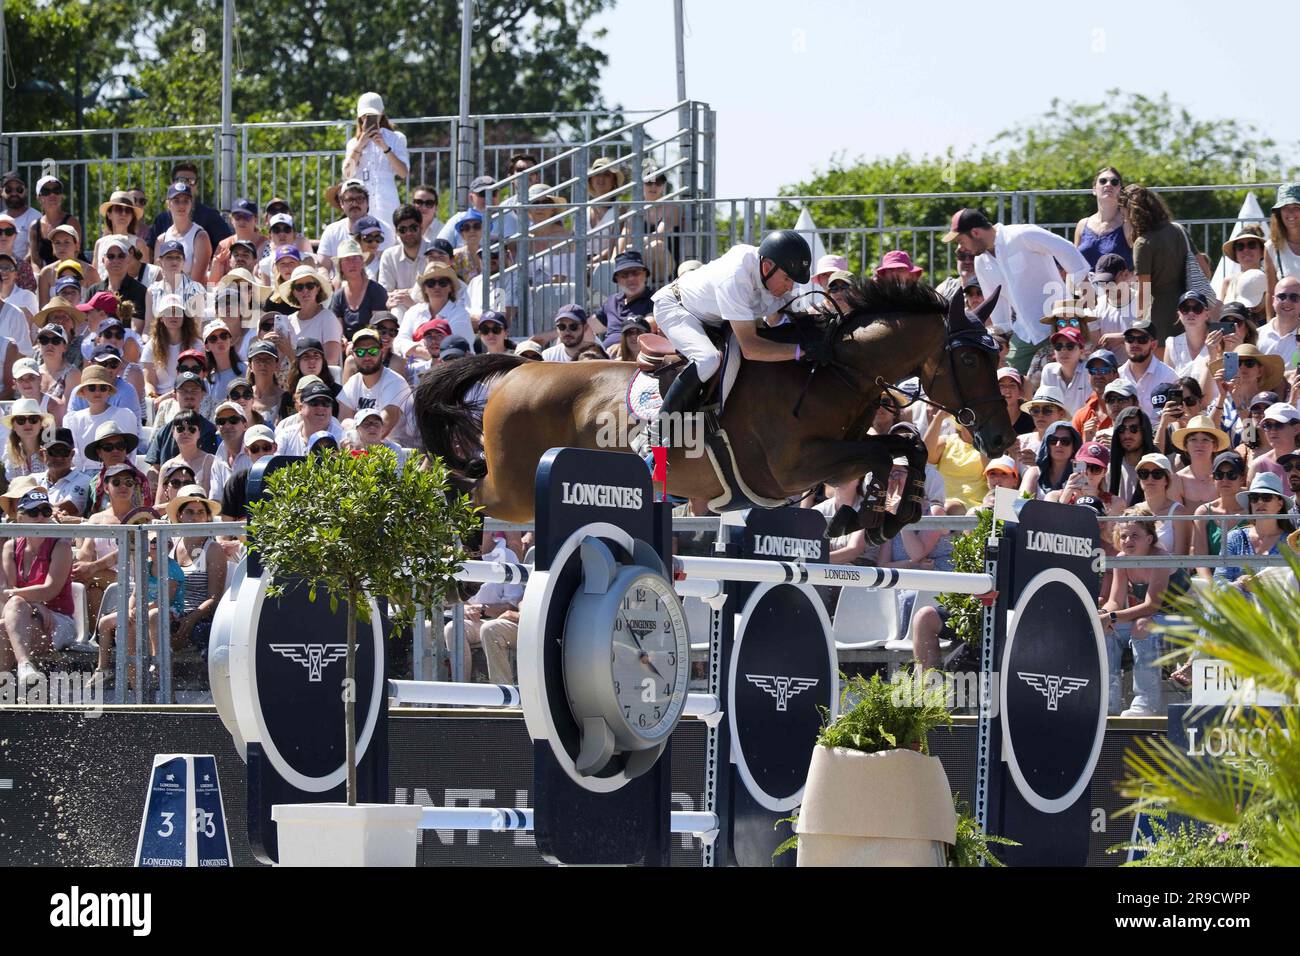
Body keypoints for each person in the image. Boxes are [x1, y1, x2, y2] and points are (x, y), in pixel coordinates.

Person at [649, 230, 811, 435]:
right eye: (787, 279)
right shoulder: (736, 275)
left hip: (715, 319)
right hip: (676, 307)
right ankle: (658, 429)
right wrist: (800, 351)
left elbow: (781, 320)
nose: (790, 287)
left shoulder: (774, 274)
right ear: (767, 266)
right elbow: (751, 348)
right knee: (708, 360)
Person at [942, 207, 1090, 375]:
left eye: (961, 241)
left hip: (1061, 326)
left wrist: (1085, 301)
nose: (961, 248)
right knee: (1008, 379)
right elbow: (996, 304)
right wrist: (1002, 336)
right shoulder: (981, 262)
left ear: (975, 232)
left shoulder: (1022, 234)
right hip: (1024, 334)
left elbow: (1067, 250)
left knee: (1069, 380)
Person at [1099, 505, 1181, 716]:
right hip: (1152, 620)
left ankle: (1147, 703)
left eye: (1135, 535)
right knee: (1108, 629)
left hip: (1185, 621)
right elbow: (1115, 602)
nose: (1128, 541)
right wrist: (1102, 614)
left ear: (1149, 538)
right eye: (1124, 536)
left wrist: (1113, 616)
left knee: (1141, 625)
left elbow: (1152, 605)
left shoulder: (1160, 557)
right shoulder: (1121, 559)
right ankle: (1109, 700)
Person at [94, 506, 186, 690]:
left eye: (159, 541)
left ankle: (156, 660)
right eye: (151, 541)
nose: (154, 545)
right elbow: (136, 594)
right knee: (107, 622)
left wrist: (141, 610)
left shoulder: (173, 568)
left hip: (169, 613)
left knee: (151, 617)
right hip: (145, 610)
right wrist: (129, 610)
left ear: (168, 545)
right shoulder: (145, 565)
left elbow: (165, 600)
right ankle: (104, 669)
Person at [1, 489, 78, 687]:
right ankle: (21, 670)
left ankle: (8, 687)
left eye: (46, 511)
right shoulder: (10, 547)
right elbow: (7, 592)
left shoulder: (61, 545)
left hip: (59, 620)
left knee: (6, 626)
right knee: (4, 625)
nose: (41, 517)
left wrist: (32, 602)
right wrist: (36, 605)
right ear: (20, 517)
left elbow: (50, 590)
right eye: (34, 512)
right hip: (24, 615)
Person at [443, 531, 525, 682]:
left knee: (490, 628)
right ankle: (461, 691)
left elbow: (513, 605)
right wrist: (465, 608)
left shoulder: (506, 555)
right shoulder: (459, 555)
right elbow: (451, 598)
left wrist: (483, 608)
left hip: (495, 619)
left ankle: (501, 695)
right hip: (471, 620)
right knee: (452, 628)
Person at [1120, 184, 1196, 342]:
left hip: (1160, 316)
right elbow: (1204, 268)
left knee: (1162, 365)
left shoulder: (1143, 243)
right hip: (1190, 310)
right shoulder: (1179, 230)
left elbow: (1144, 291)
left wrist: (1138, 321)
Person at [165, 486, 228, 655]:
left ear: (208, 517)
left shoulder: (213, 550)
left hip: (200, 619)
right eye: (190, 512)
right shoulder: (170, 545)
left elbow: (214, 598)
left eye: (200, 512)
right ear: (180, 516)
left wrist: (190, 620)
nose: (195, 517)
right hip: (171, 616)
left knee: (202, 633)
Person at [1214, 471, 1293, 587]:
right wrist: (1239, 584)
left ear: (1280, 504)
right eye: (1254, 497)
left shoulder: (1292, 542)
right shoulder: (1234, 538)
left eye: (1266, 497)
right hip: (1239, 604)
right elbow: (1219, 582)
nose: (1260, 502)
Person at [341, 93, 409, 227]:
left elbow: (403, 173)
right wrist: (360, 145)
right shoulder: (353, 143)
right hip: (360, 202)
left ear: (382, 113)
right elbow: (347, 174)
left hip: (386, 200)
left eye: (372, 115)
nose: (367, 119)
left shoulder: (396, 138)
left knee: (388, 238)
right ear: (359, 117)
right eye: (364, 116)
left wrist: (384, 146)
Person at [337, 328, 411, 437]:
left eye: (373, 351)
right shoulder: (353, 383)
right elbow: (343, 422)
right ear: (353, 354)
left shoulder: (396, 382)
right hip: (365, 447)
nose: (367, 357)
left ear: (382, 352)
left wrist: (353, 430)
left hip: (396, 449)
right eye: (360, 352)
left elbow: (383, 429)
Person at [1208, 343, 1285, 445]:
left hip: (1254, 458)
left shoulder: (1268, 403)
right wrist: (1222, 395)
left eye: (1249, 363)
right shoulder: (1220, 402)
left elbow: (1253, 440)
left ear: (1260, 371)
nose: (1242, 367)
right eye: (1238, 363)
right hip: (1223, 459)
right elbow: (1207, 433)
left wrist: (1237, 399)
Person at [144, 162, 232, 250]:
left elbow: (226, 244)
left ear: (196, 186)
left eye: (191, 181)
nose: (186, 184)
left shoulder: (210, 216)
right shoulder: (161, 219)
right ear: (172, 183)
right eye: (181, 180)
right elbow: (150, 250)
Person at [64, 366, 139, 469]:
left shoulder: (125, 415)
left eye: (103, 388)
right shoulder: (72, 420)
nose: (97, 392)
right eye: (92, 388)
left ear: (108, 392)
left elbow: (130, 454)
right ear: (83, 392)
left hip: (117, 473)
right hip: (82, 476)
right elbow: (74, 457)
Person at [1190, 451, 1248, 580]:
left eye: (1232, 475)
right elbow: (1201, 559)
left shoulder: (1252, 511)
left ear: (1242, 478)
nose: (1225, 480)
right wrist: (1212, 589)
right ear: (1213, 478)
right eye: (1219, 475)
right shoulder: (1203, 512)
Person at [395, 262, 470, 356]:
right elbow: (399, 342)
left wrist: (417, 349)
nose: (437, 287)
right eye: (431, 283)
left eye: (442, 282)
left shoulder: (460, 314)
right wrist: (424, 352)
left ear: (450, 287)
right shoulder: (413, 312)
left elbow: (458, 348)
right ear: (424, 289)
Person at [318, 179, 393, 271]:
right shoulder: (331, 231)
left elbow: (390, 266)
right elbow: (323, 267)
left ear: (367, 202)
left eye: (360, 199)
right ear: (342, 203)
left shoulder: (385, 229)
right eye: (349, 200)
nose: (354, 204)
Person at [141, 293, 203, 399]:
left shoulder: (196, 344)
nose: (173, 316)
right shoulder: (151, 346)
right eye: (169, 312)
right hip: (161, 400)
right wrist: (154, 398)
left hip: (189, 396)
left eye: (178, 312)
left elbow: (201, 378)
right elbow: (149, 383)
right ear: (161, 317)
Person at [923, 408, 986, 509]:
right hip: (940, 505)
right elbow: (926, 455)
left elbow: (990, 470)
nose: (971, 424)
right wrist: (939, 418)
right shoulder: (947, 442)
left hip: (975, 508)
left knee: (949, 508)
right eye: (968, 420)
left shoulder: (987, 448)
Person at [1118, 319, 1179, 420]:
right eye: (1130, 339)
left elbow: (1177, 415)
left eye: (1142, 340)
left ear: (1153, 345)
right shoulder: (1117, 375)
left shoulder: (1169, 376)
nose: (1135, 344)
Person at [1074, 166, 1134, 269]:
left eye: (1114, 182)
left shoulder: (1128, 221)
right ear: (1094, 190)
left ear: (1120, 190)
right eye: (1103, 181)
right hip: (1085, 285)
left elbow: (1138, 259)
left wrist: (1126, 213)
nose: (1108, 184)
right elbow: (1074, 264)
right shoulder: (1082, 224)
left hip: (1119, 285)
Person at [281, 265, 342, 367]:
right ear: (294, 292)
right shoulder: (288, 320)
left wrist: (288, 351)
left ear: (317, 289)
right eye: (299, 287)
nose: (305, 290)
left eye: (310, 286)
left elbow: (331, 362)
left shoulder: (328, 318)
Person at [328, 237, 388, 341]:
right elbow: (337, 331)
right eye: (347, 259)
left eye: (355, 258)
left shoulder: (376, 291)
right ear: (340, 267)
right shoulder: (338, 297)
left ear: (362, 263)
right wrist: (343, 341)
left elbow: (378, 328)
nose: (352, 263)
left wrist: (357, 345)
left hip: (372, 346)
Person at [153, 180, 212, 283]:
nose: (181, 205)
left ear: (191, 203)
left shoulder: (200, 237)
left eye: (186, 200)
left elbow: (196, 282)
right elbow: (158, 279)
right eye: (176, 200)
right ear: (168, 204)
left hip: (193, 296)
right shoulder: (161, 239)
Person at [1134, 452, 1191, 554]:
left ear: (1167, 480)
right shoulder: (1132, 512)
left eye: (1157, 474)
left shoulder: (1179, 513)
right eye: (1144, 474)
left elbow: (1181, 561)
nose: (1150, 479)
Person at [216, 424, 277, 520]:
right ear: (246, 451)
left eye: (266, 447)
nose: (261, 453)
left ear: (275, 448)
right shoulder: (236, 481)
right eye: (254, 449)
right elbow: (226, 528)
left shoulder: (286, 479)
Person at [596, 250, 654, 350]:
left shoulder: (654, 300)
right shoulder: (611, 301)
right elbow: (586, 327)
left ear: (645, 275)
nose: (631, 278)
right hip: (606, 358)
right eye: (624, 274)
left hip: (635, 358)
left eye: (636, 272)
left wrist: (624, 348)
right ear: (617, 279)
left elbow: (651, 326)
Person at [275, 376, 344, 456]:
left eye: (326, 403)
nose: (320, 407)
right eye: (314, 403)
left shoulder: (341, 438)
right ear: (300, 408)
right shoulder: (285, 436)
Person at [27, 175, 82, 271]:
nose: (52, 195)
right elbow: (35, 261)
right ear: (38, 198)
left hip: (73, 271)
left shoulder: (71, 222)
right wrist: (40, 278)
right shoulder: (34, 226)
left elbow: (76, 253)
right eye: (46, 191)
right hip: (47, 277)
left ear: (61, 195)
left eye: (56, 190)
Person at [380, 204, 427, 313]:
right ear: (396, 232)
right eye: (403, 229)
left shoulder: (433, 253)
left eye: (413, 228)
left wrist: (410, 299)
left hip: (428, 311)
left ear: (421, 227)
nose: (409, 233)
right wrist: (409, 296)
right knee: (396, 309)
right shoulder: (389, 256)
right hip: (400, 308)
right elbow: (385, 293)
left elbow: (435, 291)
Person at [1045, 440, 1116, 512]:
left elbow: (1105, 523)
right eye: (1083, 466)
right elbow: (1051, 522)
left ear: (1104, 472)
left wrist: (1095, 501)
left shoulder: (1114, 502)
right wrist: (1063, 500)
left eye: (1095, 469)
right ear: (1074, 466)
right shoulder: (1053, 496)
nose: (1087, 473)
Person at [207, 198, 267, 283]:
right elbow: (212, 286)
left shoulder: (266, 245)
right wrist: (216, 263)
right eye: (237, 217)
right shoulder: (224, 245)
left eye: (247, 217)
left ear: (256, 220)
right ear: (231, 220)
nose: (242, 221)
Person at [1219, 223, 1274, 314]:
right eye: (1240, 247)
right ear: (1235, 254)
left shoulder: (1271, 279)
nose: (1246, 250)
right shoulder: (1228, 282)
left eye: (1251, 245)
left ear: (1262, 252)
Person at [36, 428, 91, 518]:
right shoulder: (33, 479)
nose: (59, 457)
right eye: (53, 451)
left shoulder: (84, 480)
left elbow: (70, 507)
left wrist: (32, 512)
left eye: (64, 452)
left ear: (72, 454)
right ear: (42, 454)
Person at [1107, 405, 1158, 505]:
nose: (1127, 435)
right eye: (1122, 430)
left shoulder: (1159, 469)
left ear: (1144, 431)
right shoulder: (1108, 470)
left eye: (1133, 429)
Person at [280, 339, 341, 420]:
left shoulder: (337, 392)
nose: (312, 361)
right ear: (298, 363)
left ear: (323, 361)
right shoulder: (289, 395)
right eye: (306, 357)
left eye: (316, 356)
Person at [1019, 420, 1079, 499]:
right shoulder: (1034, 473)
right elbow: (1021, 505)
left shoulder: (1079, 476)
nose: (1058, 445)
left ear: (1074, 447)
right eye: (1053, 441)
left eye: (1065, 441)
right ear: (1046, 445)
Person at [1072, 350, 1122, 442]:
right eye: (1093, 371)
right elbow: (1073, 453)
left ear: (1116, 375)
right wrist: (1087, 443)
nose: (1098, 375)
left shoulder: (1128, 411)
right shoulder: (1081, 416)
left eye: (1104, 370)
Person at [1039, 326, 1090, 416]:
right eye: (1058, 346)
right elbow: (1045, 406)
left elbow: (1090, 408)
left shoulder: (1089, 371)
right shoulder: (1048, 371)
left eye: (1070, 346)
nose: (1063, 350)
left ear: (1081, 351)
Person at [2, 398, 52, 480]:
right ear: (13, 426)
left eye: (33, 419)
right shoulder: (8, 453)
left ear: (41, 424)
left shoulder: (52, 450)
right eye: (20, 420)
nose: (27, 424)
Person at [1256, 275, 1300, 366]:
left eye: (1294, 297)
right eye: (1282, 296)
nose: (1287, 302)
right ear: (1273, 300)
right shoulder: (1257, 335)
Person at [35, 321, 80, 407]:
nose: (49, 345)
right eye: (44, 340)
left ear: (65, 347)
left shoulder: (72, 374)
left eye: (56, 341)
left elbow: (67, 409)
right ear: (39, 345)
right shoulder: (34, 373)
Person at [1265, 183, 1300, 283]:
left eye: (1296, 207)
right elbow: (1271, 293)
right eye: (1285, 208)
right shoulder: (1271, 247)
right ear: (1278, 213)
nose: (1290, 213)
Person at [245, 340, 285, 427]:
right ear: (250, 366)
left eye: (268, 359)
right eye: (258, 360)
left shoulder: (286, 398)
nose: (263, 364)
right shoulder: (242, 396)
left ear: (277, 365)